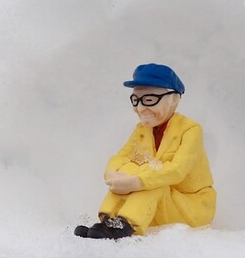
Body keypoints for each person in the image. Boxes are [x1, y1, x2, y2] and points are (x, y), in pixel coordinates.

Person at [74, 63, 216, 239]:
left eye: (149, 100)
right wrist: (113, 174)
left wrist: (137, 182)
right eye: (136, 100)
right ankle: (108, 221)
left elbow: (177, 170)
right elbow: (122, 156)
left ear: (173, 99)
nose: (140, 108)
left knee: (152, 179)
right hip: (155, 207)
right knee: (129, 169)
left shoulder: (191, 130)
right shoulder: (142, 129)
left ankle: (128, 225)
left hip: (188, 207)